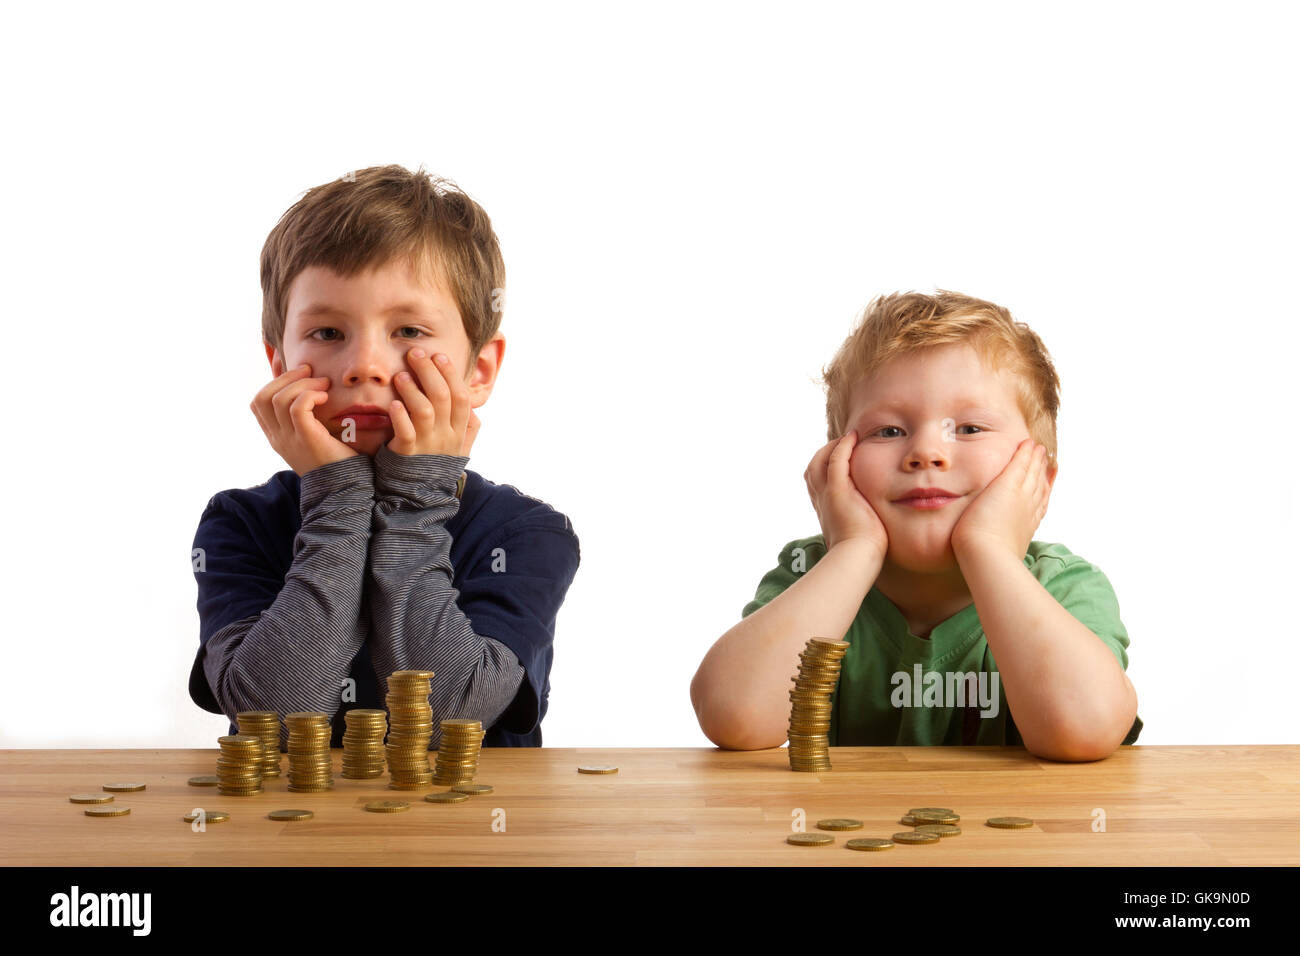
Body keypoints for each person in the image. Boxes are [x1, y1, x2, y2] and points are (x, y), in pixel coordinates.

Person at [189, 164, 580, 749]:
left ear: (479, 371)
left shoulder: (529, 534)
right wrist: (339, 502)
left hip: (476, 838)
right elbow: (270, 718)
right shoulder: (239, 524)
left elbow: (453, 717)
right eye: (327, 333)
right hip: (288, 841)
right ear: (278, 367)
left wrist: (414, 500)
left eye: (410, 332)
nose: (365, 365)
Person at [691, 290, 1141, 760]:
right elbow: (732, 716)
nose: (927, 452)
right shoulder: (811, 572)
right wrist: (854, 549)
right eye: (888, 431)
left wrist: (987, 546)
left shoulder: (1064, 586)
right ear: (835, 467)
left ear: (1040, 479)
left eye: (969, 429)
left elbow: (1085, 728)